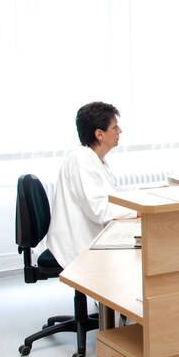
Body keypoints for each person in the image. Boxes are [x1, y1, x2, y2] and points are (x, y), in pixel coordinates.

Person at [44, 101, 137, 270]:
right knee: (139, 250)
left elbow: (110, 196)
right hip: (76, 244)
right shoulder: (81, 161)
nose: (120, 131)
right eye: (115, 127)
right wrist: (138, 210)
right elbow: (99, 210)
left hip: (89, 233)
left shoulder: (94, 159)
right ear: (99, 134)